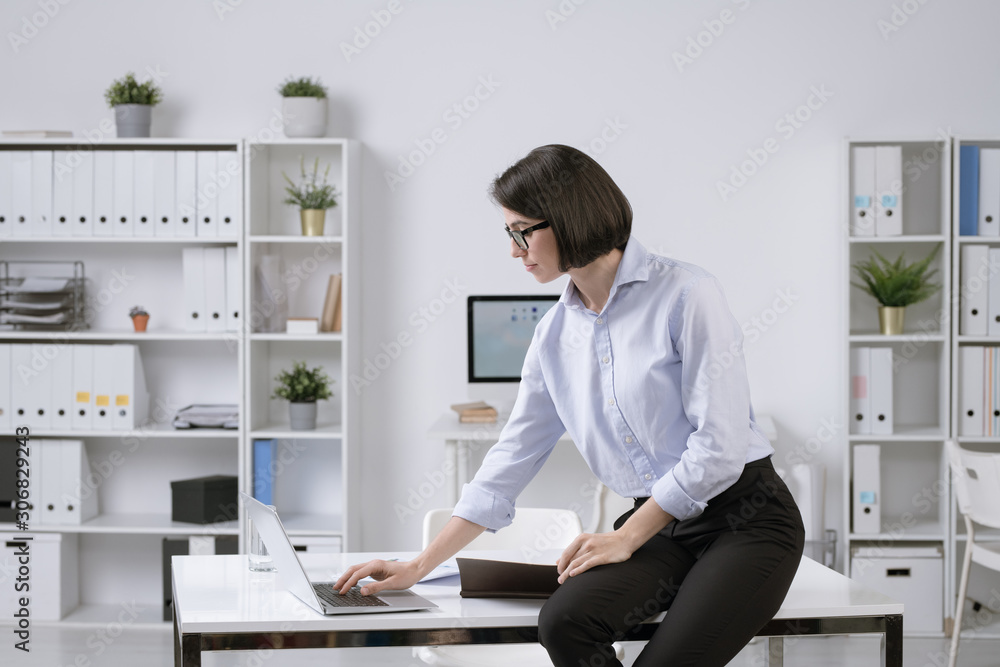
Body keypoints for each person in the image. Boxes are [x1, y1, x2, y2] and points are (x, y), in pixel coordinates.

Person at [335, 144, 805, 666]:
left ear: (569, 218)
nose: (515, 251)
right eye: (508, 234)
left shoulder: (688, 294)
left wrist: (625, 537)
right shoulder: (553, 336)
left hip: (746, 518)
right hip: (662, 525)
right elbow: (509, 461)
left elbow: (718, 448)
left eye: (522, 232)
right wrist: (416, 566)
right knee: (564, 623)